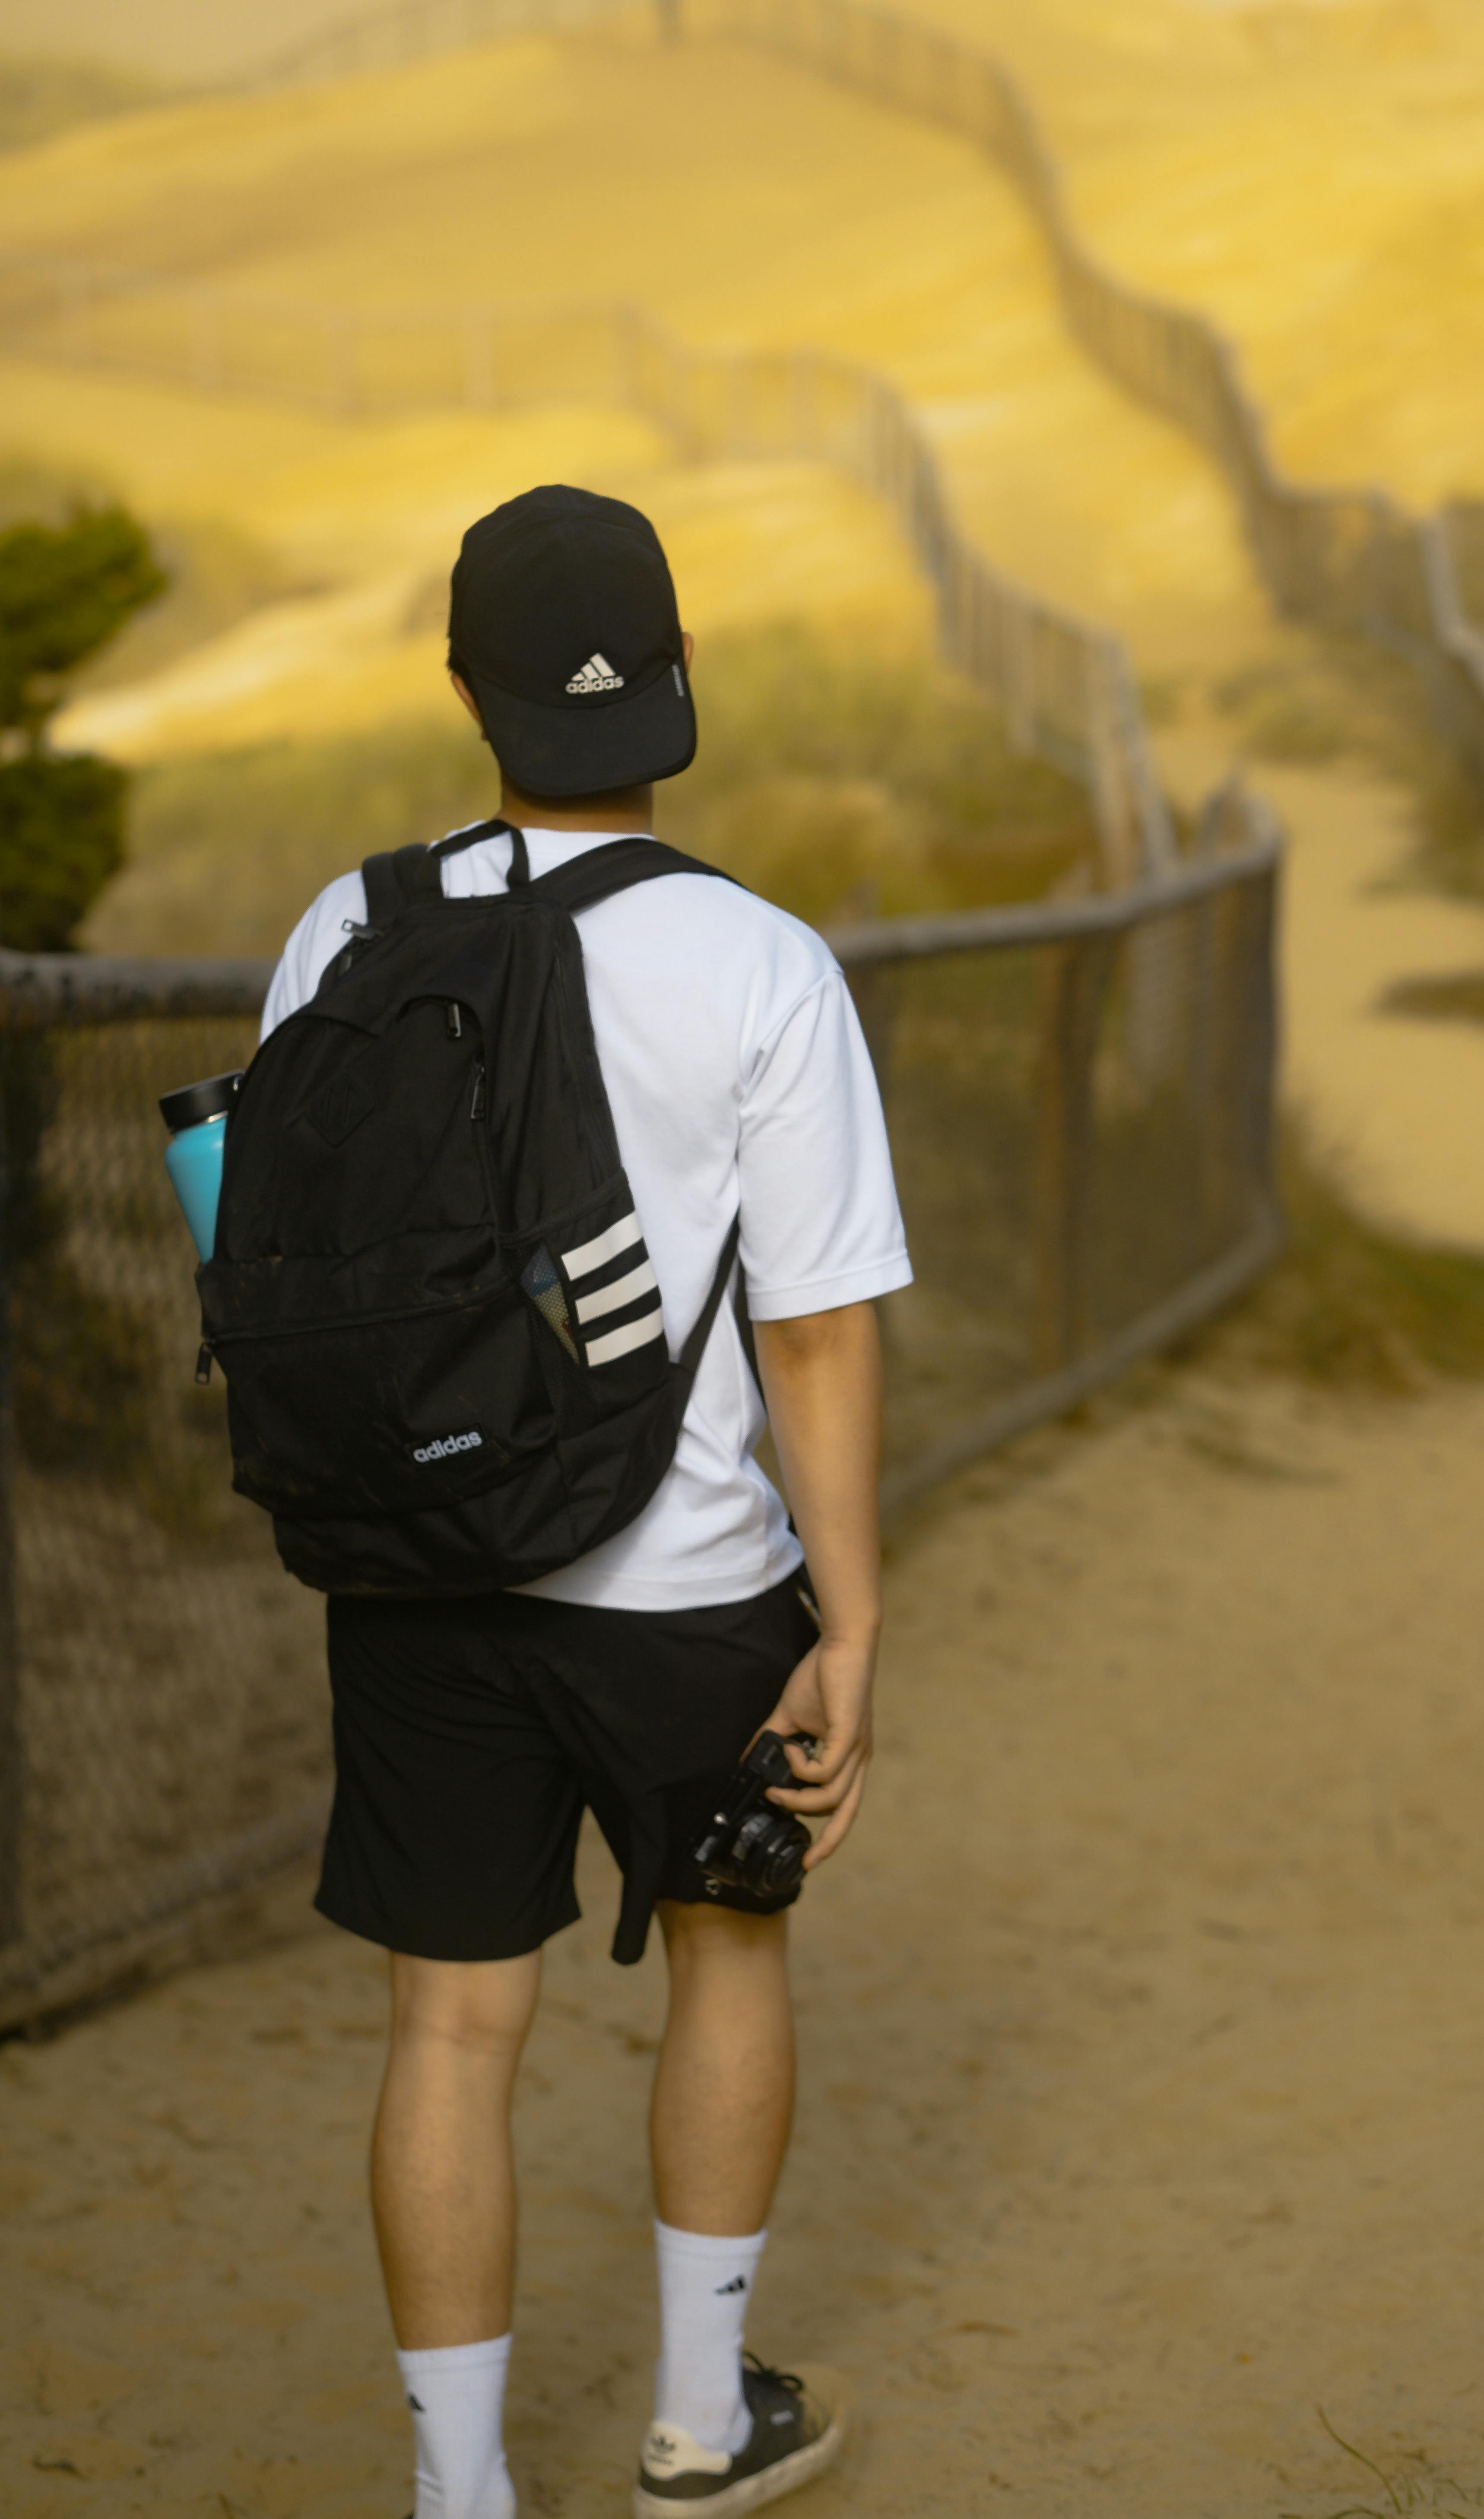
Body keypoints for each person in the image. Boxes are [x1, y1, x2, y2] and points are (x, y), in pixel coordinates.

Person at [260, 487, 910, 2519]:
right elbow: (813, 1336)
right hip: (693, 1576)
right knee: (727, 1954)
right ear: (679, 679)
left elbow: (273, 1249)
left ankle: (462, 2497)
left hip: (417, 1573)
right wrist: (855, 1619)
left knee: (451, 2033)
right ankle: (702, 2426)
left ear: (470, 690)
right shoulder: (766, 965)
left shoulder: (345, 927)